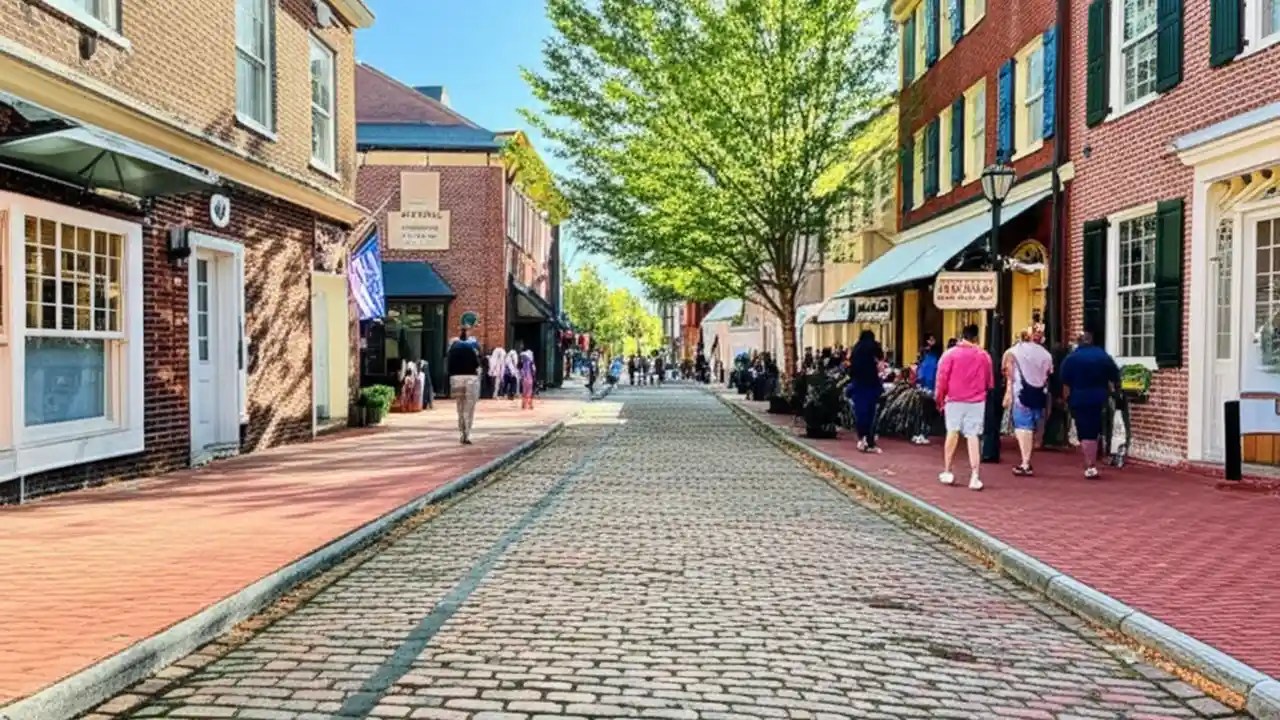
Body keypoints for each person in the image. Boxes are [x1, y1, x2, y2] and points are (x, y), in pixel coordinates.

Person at [936, 324, 994, 491]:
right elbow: (989, 382)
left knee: (952, 432)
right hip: (976, 401)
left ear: (962, 336)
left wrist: (940, 399)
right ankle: (975, 475)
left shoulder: (949, 355)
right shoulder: (984, 356)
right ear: (976, 337)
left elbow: (942, 379)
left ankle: (947, 470)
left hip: (954, 400)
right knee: (973, 435)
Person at [1060, 331, 1120, 479]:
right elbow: (1115, 376)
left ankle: (1090, 464)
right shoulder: (1102, 356)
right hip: (1099, 397)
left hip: (1079, 398)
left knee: (1085, 431)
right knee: (1096, 428)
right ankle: (1094, 459)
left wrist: (1065, 399)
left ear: (1078, 342)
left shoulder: (1072, 358)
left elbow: (1065, 382)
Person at [1006, 328, 1054, 476]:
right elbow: (1048, 373)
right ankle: (1028, 455)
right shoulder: (1047, 355)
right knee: (1033, 425)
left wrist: (1008, 392)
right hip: (1039, 393)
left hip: (1021, 393)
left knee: (1023, 427)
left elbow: (1008, 369)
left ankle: (1025, 462)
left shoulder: (1016, 350)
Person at [848, 330, 885, 453]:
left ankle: (862, 438)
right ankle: (869, 440)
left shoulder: (856, 349)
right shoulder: (874, 347)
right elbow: (881, 362)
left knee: (860, 412)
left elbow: (851, 369)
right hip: (872, 384)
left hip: (858, 384)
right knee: (871, 413)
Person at [446, 328, 482, 445]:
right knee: (469, 408)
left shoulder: (453, 348)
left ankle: (462, 432)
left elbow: (449, 366)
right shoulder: (472, 347)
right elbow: (477, 364)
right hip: (471, 378)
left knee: (460, 407)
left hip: (456, 378)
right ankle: (467, 433)